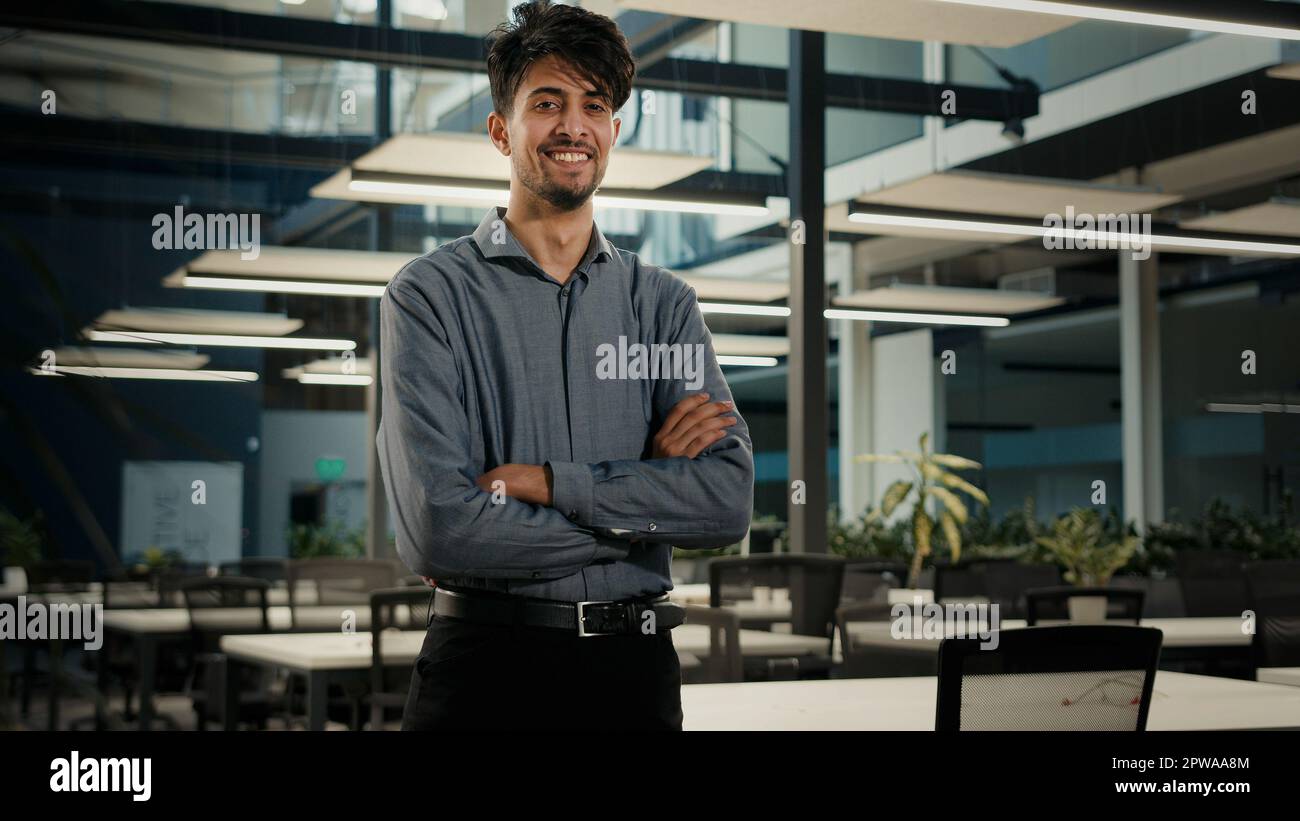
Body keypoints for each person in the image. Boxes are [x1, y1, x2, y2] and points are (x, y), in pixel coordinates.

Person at [377, 0, 754, 732]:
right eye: (546, 103)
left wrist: (551, 485)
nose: (572, 125)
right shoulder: (428, 296)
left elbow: (726, 502)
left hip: (634, 676)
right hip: (486, 671)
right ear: (500, 130)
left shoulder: (663, 304)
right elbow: (442, 532)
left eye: (594, 104)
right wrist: (644, 511)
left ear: (612, 130)